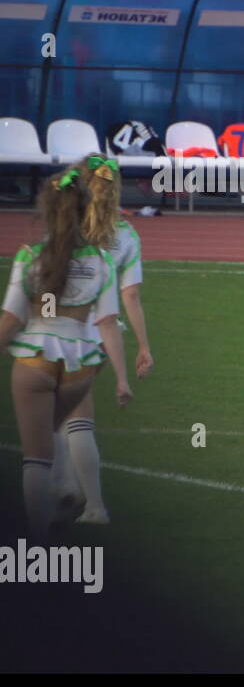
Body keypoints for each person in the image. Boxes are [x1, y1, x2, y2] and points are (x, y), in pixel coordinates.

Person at [1, 163, 132, 537]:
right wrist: (122, 378)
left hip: (35, 358)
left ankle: (37, 542)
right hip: (80, 365)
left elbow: (12, 319)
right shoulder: (102, 259)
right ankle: (71, 492)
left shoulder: (31, 256)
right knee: (60, 429)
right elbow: (107, 321)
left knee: (36, 455)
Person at [52, 157, 154, 526]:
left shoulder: (67, 224)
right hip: (103, 334)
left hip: (64, 329)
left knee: (76, 417)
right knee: (66, 412)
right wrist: (143, 347)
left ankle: (93, 504)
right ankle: (67, 487)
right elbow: (130, 298)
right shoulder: (127, 234)